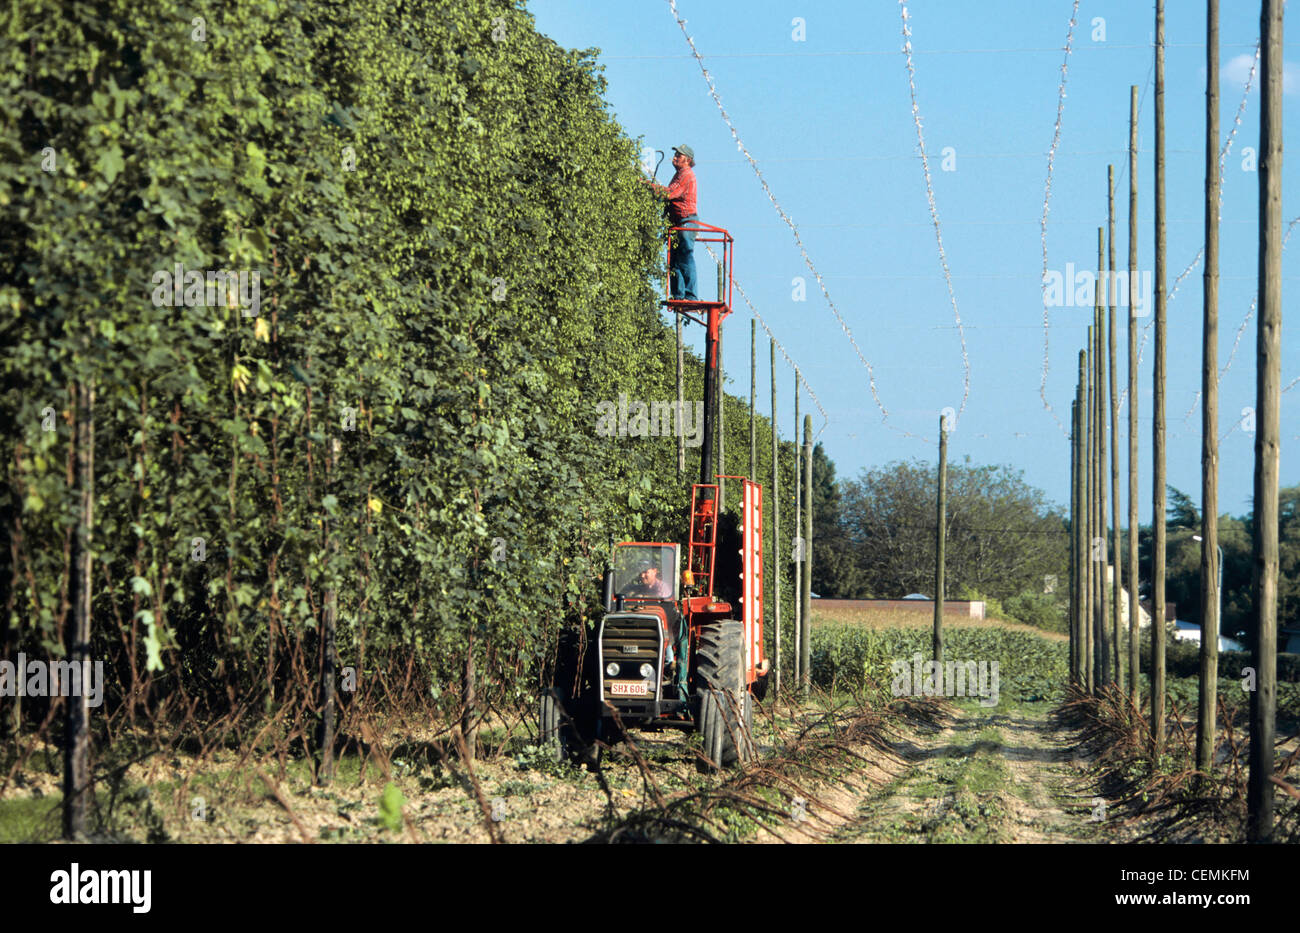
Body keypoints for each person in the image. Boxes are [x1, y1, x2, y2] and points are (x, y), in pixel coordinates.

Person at [646, 144, 698, 301]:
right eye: (675, 154)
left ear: (688, 160)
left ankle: (690, 295)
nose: (675, 157)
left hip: (686, 221)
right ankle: (679, 294)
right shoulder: (678, 175)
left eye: (679, 155)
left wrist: (649, 187)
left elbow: (670, 193)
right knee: (675, 259)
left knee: (685, 256)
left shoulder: (686, 175)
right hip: (677, 222)